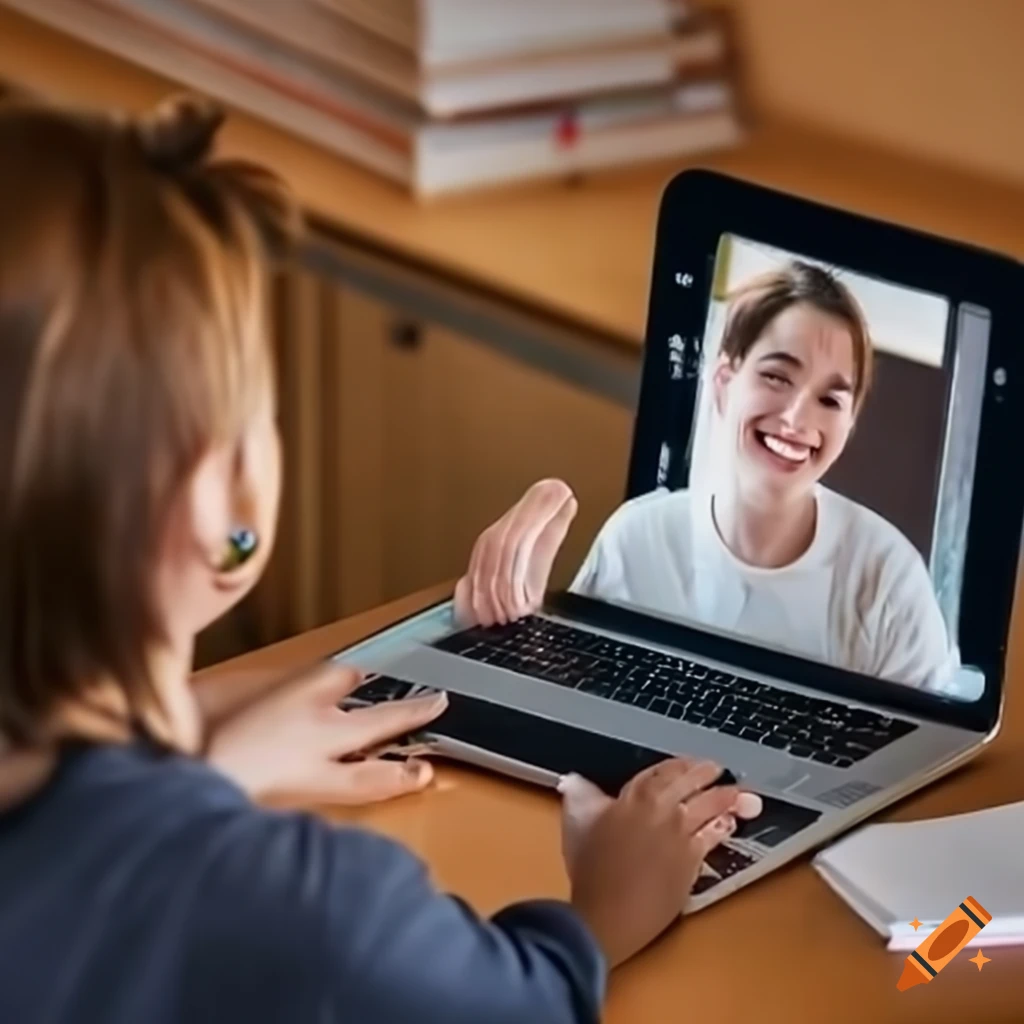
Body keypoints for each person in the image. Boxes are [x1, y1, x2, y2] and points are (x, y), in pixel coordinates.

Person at [0, 94, 762, 1024]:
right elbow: (518, 1006)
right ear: (223, 508)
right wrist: (596, 918)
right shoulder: (312, 912)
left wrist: (192, 761)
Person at [457, 262, 958, 693]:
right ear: (723, 383)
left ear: (849, 425)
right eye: (776, 376)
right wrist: (509, 636)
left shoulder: (889, 580)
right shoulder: (637, 536)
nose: (795, 419)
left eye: (830, 399)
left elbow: (931, 753)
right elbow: (576, 699)